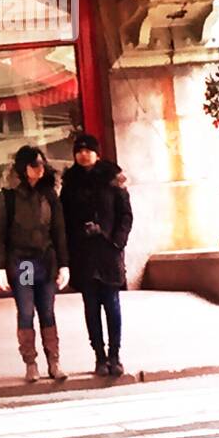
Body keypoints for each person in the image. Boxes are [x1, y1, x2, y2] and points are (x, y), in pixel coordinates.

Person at [0, 145, 70, 382]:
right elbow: (0, 234)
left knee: (47, 311)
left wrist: (64, 264)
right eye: (34, 164)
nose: (39, 169)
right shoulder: (9, 197)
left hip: (45, 261)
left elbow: (59, 231)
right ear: (23, 168)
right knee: (26, 311)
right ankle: (31, 363)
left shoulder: (49, 195)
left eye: (41, 164)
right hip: (23, 263)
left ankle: (54, 361)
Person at [60, 133, 132, 377]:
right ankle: (99, 356)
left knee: (112, 304)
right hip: (83, 253)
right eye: (78, 151)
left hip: (109, 251)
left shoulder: (112, 177)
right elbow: (64, 220)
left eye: (88, 150)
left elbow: (125, 214)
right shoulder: (70, 182)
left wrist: (117, 241)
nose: (83, 154)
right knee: (91, 307)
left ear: (97, 153)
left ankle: (115, 355)